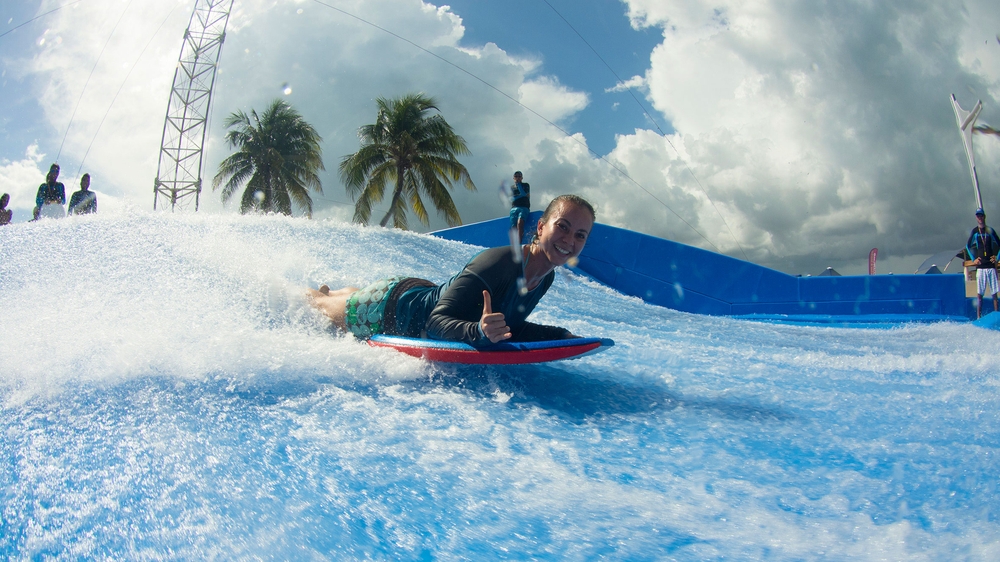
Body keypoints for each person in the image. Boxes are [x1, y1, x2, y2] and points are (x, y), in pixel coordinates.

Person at [308, 195, 595, 346]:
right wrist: (478, 331)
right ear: (542, 227)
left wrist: (560, 335)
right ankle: (312, 293)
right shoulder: (498, 262)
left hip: (422, 290)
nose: (569, 241)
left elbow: (510, 327)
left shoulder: (545, 278)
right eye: (563, 227)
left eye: (581, 235)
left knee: (338, 297)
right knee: (319, 306)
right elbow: (435, 323)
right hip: (392, 309)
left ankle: (338, 291)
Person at [966, 207, 1000, 318]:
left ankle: (996, 315)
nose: (980, 217)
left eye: (981, 215)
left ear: (984, 216)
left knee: (994, 293)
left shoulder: (990, 231)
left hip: (990, 266)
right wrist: (973, 259)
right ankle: (978, 317)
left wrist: (997, 258)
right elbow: (968, 246)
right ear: (976, 218)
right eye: (978, 216)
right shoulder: (975, 232)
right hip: (980, 267)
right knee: (979, 294)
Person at [509, 170, 530, 243]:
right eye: (516, 176)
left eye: (519, 176)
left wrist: (519, 186)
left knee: (520, 223)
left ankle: (519, 243)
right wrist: (521, 196)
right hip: (514, 208)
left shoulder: (526, 185)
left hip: (523, 207)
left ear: (522, 178)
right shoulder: (512, 188)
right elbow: (511, 198)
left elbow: (524, 193)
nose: (518, 178)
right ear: (513, 178)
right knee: (513, 227)